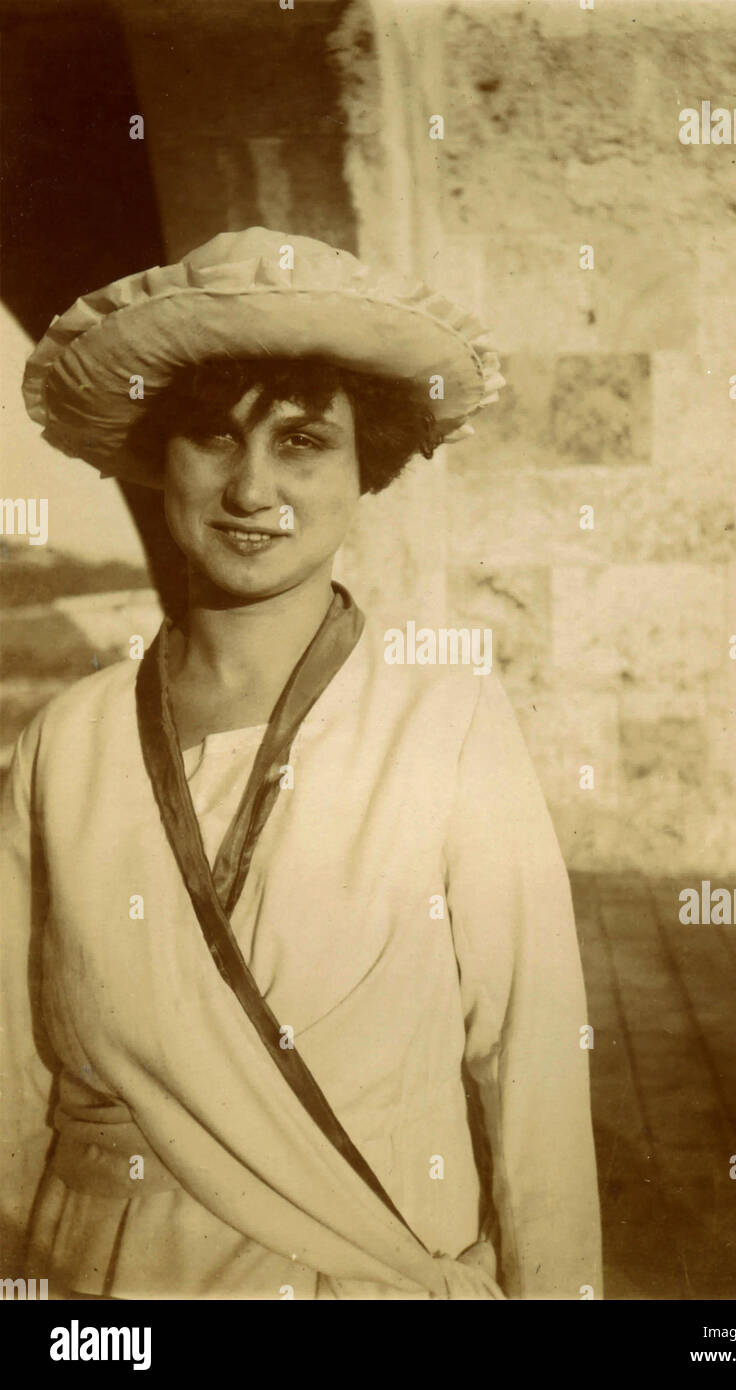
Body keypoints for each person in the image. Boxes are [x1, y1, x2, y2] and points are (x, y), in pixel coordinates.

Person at [1, 228, 601, 1299]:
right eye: (211, 437)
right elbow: (6, 1083)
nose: (249, 487)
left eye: (301, 442)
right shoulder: (68, 745)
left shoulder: (444, 723)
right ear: (156, 458)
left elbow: (533, 1065)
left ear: (364, 463)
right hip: (98, 1285)